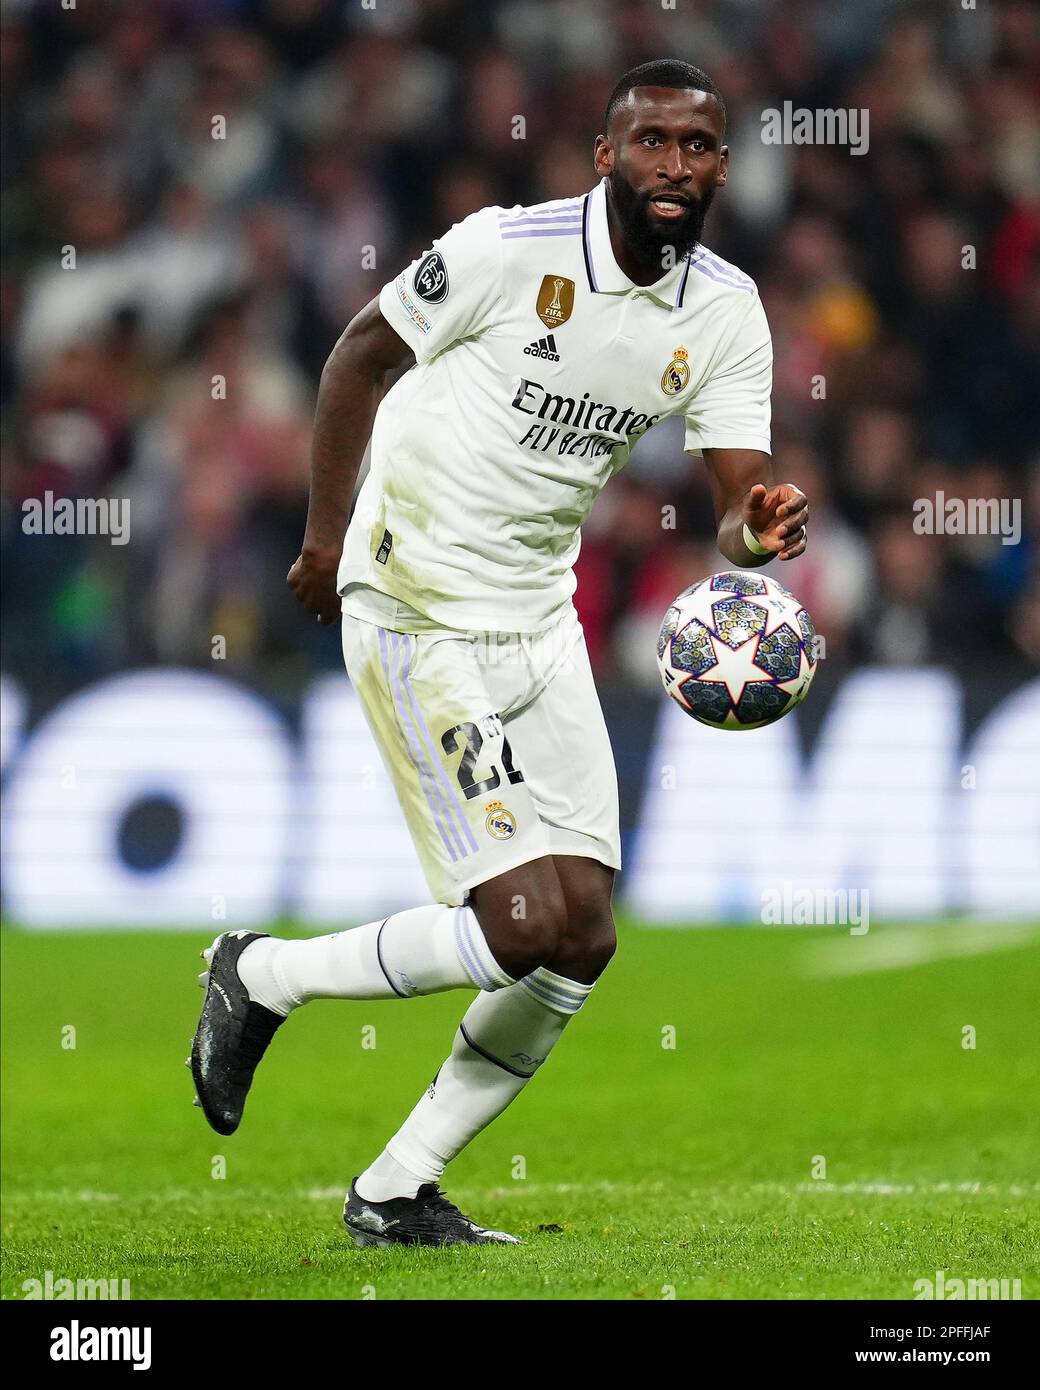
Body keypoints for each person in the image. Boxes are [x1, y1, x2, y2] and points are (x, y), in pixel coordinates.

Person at [190, 58, 809, 1247]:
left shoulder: (725, 310)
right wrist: (324, 541)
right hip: (415, 599)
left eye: (694, 148)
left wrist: (757, 530)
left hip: (537, 611)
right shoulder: (505, 248)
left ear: (722, 167)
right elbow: (357, 358)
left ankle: (394, 1187)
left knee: (581, 936)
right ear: (604, 156)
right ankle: (258, 975)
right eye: (649, 144)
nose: (672, 167)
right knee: (520, 921)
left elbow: (732, 497)